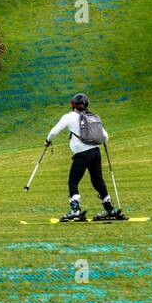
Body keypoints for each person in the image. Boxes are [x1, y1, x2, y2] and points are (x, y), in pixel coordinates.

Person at [44, 92, 125, 222]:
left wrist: (48, 141)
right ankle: (109, 208)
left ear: (73, 104)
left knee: (73, 181)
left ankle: (75, 210)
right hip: (96, 153)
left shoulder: (69, 116)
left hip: (82, 155)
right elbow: (105, 137)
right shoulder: (92, 117)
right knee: (98, 181)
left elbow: (54, 131)